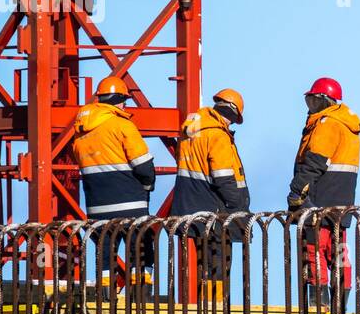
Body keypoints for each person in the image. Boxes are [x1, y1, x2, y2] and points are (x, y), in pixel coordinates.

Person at [72, 75, 156, 295]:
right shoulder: (122, 125)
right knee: (141, 247)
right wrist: (148, 185)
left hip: (96, 207)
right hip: (130, 202)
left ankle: (105, 297)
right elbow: (143, 165)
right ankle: (141, 297)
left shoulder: (81, 132)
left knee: (105, 251)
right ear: (120, 100)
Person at [170, 88, 251, 292]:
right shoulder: (217, 135)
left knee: (201, 264)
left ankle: (204, 310)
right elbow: (223, 178)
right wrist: (238, 207)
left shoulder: (190, 133)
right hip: (215, 211)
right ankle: (216, 312)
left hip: (190, 207)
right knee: (218, 265)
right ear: (232, 114)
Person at [287, 77, 360, 296]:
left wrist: (297, 193)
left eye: (312, 100)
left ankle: (318, 305)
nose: (310, 106)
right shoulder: (348, 126)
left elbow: (314, 163)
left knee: (313, 250)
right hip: (341, 202)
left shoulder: (327, 124)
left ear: (323, 100)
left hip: (318, 200)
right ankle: (341, 303)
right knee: (338, 251)